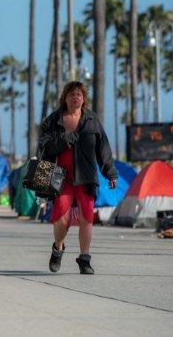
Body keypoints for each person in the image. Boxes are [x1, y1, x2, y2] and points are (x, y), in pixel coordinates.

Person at [38, 81, 116, 275]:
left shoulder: (92, 120)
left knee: (87, 218)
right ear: (65, 98)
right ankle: (58, 248)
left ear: (84, 98)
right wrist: (65, 140)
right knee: (61, 219)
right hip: (60, 178)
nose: (76, 97)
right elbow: (44, 147)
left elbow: (103, 149)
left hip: (87, 177)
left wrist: (110, 172)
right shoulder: (53, 120)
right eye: (72, 94)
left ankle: (84, 259)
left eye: (79, 94)